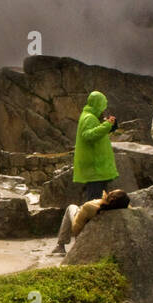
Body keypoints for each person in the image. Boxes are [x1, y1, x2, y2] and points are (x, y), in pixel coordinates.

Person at [54, 90, 120, 253]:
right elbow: (89, 135)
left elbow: (98, 135)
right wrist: (106, 125)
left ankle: (63, 243)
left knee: (95, 207)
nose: (104, 110)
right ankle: (83, 244)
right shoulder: (88, 118)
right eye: (102, 106)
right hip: (95, 170)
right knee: (92, 209)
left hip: (99, 170)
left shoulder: (90, 117)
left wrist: (110, 126)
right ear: (97, 105)